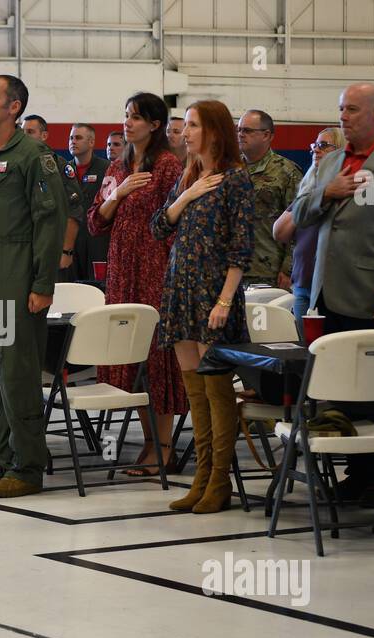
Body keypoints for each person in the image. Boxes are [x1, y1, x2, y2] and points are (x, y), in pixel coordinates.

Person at [290, 83, 374, 507]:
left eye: (351, 110)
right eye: (340, 110)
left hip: (373, 298)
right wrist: (324, 194)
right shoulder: (330, 161)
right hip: (325, 295)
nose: (343, 117)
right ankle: (354, 475)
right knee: (340, 393)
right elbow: (296, 213)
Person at [0, 74, 68, 499]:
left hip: (17, 280)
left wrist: (43, 282)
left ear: (14, 107)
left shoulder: (33, 155)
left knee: (17, 373)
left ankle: (27, 467)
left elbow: (50, 220)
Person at [152, 100, 254, 514]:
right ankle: (200, 477)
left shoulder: (236, 180)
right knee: (195, 393)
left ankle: (220, 480)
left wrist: (226, 300)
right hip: (181, 290)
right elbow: (159, 226)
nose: (185, 132)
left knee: (217, 392)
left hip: (214, 293)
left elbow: (241, 248)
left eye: (192, 125)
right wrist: (187, 194)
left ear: (213, 131)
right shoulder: (189, 176)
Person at [87, 92, 185, 476]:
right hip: (121, 271)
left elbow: (174, 222)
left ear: (155, 125)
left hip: (155, 271)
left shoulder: (167, 166)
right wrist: (121, 192)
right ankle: (149, 445)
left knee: (156, 358)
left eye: (136, 118)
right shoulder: (117, 167)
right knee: (131, 357)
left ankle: (162, 447)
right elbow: (96, 220)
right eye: (126, 115)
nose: (128, 123)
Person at [272, 127, 346, 322]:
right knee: (304, 349)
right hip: (303, 282)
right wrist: (315, 197)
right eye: (314, 146)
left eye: (323, 145)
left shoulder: (349, 188)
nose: (316, 150)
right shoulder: (308, 190)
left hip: (335, 289)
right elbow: (279, 232)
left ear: (341, 150)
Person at [238, 109, 302, 289]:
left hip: (268, 272)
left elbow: (298, 223)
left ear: (266, 135)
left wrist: (288, 269)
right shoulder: (230, 169)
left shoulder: (287, 172)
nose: (241, 135)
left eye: (248, 131)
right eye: (239, 130)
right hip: (231, 269)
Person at [22, 114, 85, 283]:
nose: (24, 136)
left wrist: (66, 251)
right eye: (22, 132)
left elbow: (74, 208)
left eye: (30, 132)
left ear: (44, 136)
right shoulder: (17, 165)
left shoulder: (57, 166)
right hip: (22, 251)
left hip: (51, 250)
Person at [67, 123, 111, 280]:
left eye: (78, 138)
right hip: (71, 242)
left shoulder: (107, 169)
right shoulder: (64, 171)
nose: (73, 141)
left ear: (91, 142)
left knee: (98, 289)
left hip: (98, 243)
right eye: (71, 138)